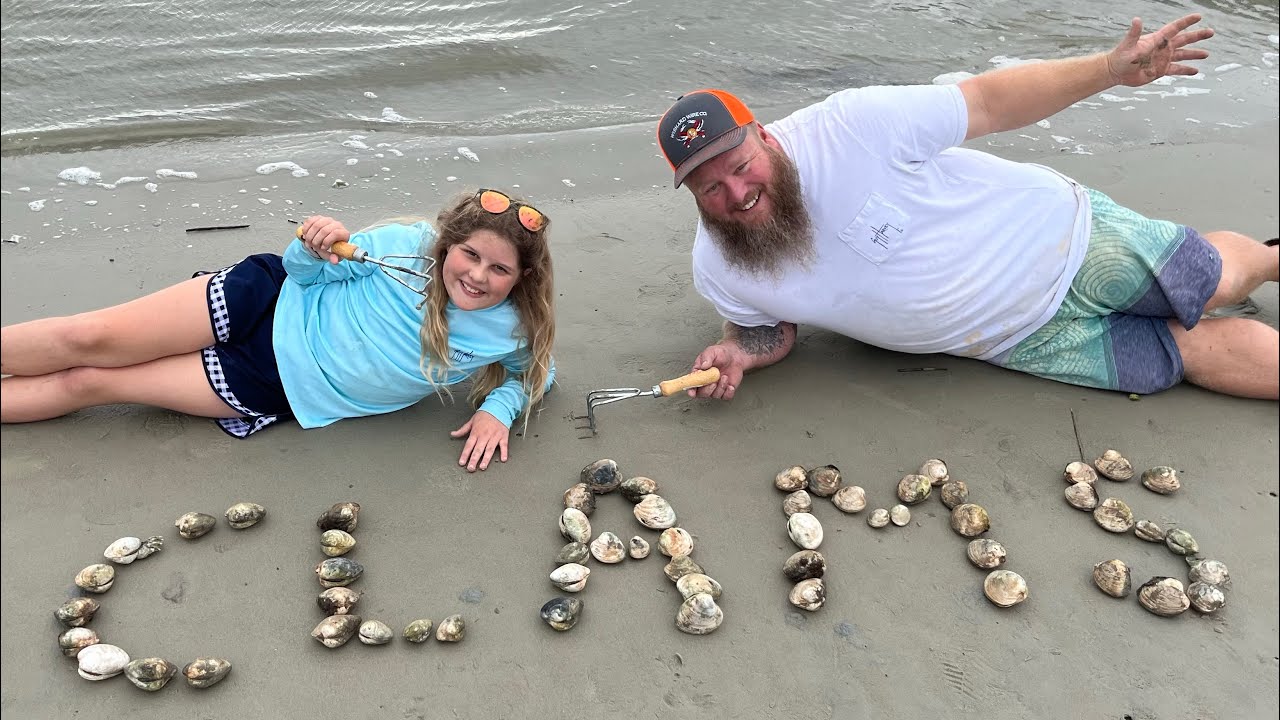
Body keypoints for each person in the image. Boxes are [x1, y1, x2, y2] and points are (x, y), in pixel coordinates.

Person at [656, 13, 1278, 402]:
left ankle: (1271, 262)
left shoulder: (852, 127)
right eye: (711, 188)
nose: (736, 194)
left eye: (740, 167)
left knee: (1213, 281)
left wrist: (1109, 70)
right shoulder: (719, 265)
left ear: (763, 135)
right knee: (1176, 360)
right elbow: (767, 327)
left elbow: (988, 102)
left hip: (1063, 241)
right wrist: (741, 350)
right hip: (1018, 340)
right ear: (691, 194)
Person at [0, 189, 557, 471]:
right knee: (87, 338)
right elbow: (303, 273)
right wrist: (313, 241)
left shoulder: (511, 331)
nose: (478, 275)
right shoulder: (404, 244)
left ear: (523, 276)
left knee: (90, 383)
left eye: (499, 268)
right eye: (469, 254)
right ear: (447, 244)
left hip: (276, 380)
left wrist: (496, 408)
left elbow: (538, 375)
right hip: (266, 298)